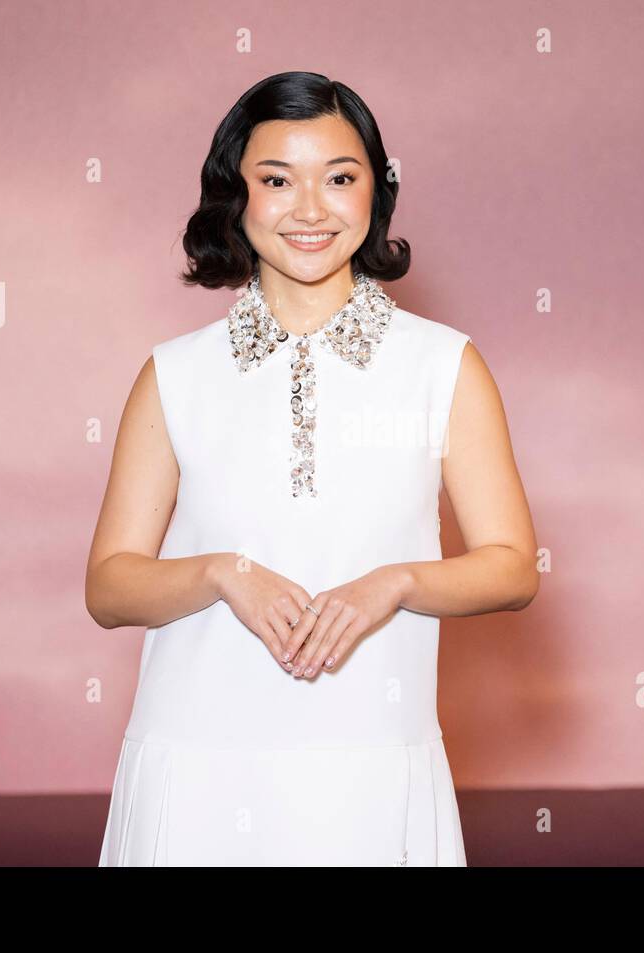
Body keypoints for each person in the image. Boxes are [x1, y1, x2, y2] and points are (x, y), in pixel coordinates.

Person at [87, 71, 539, 866]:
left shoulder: (443, 365)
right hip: (195, 774)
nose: (310, 209)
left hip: (367, 774)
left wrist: (394, 582)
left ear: (375, 193)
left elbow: (512, 568)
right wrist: (224, 574)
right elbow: (110, 587)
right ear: (237, 196)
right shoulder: (174, 374)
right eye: (275, 180)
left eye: (339, 178)